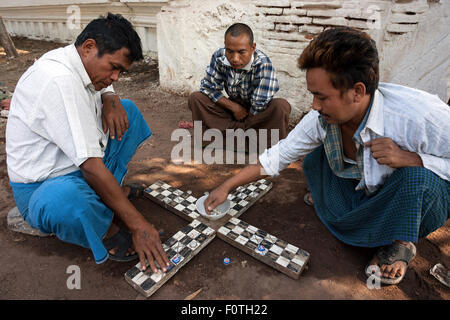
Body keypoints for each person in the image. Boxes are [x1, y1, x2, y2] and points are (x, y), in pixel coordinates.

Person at [204, 27, 449, 285]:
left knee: (417, 180)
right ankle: (356, 211)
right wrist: (226, 186)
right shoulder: (322, 118)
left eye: (321, 97)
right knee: (314, 158)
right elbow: (280, 154)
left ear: (357, 91)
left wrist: (413, 159)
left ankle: (401, 241)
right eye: (313, 95)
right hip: (367, 187)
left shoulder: (420, 115)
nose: (314, 106)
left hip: (411, 195)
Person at [6, 13, 169, 273]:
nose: (115, 77)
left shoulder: (76, 59)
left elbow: (107, 87)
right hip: (43, 186)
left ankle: (108, 197)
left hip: (75, 164)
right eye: (113, 67)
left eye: (120, 72)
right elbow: (90, 166)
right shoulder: (59, 80)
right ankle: (108, 230)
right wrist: (140, 226)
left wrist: (110, 98)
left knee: (127, 111)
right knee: (66, 199)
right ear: (89, 47)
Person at [188, 23, 291, 149]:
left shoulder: (263, 64)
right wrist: (234, 108)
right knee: (196, 98)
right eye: (230, 51)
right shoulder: (219, 56)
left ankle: (228, 137)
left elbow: (259, 103)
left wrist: (246, 120)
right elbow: (208, 87)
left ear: (252, 48)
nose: (235, 58)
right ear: (225, 46)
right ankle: (250, 140)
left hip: (255, 112)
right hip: (233, 109)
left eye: (241, 52)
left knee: (281, 106)